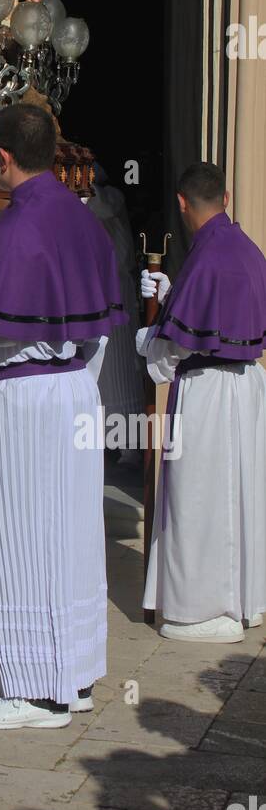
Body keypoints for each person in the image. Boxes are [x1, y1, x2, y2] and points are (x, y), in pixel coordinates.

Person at [0, 104, 127, 729]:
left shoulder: (17, 229)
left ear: (4, 157)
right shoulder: (85, 220)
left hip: (23, 398)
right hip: (75, 392)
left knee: (19, 535)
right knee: (71, 534)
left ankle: (31, 691)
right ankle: (72, 678)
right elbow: (99, 332)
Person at [138, 161, 266, 641]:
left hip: (209, 392)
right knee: (238, 494)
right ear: (226, 198)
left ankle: (203, 608)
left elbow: (176, 346)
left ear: (182, 202)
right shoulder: (246, 248)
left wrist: (147, 341)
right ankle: (242, 600)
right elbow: (217, 309)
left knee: (199, 498)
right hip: (248, 383)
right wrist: (171, 299)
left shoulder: (207, 254)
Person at [86, 164, 146, 467]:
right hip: (90, 288)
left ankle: (130, 446)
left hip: (115, 288)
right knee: (95, 370)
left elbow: (102, 208)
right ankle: (96, 441)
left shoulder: (111, 197)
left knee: (119, 367)